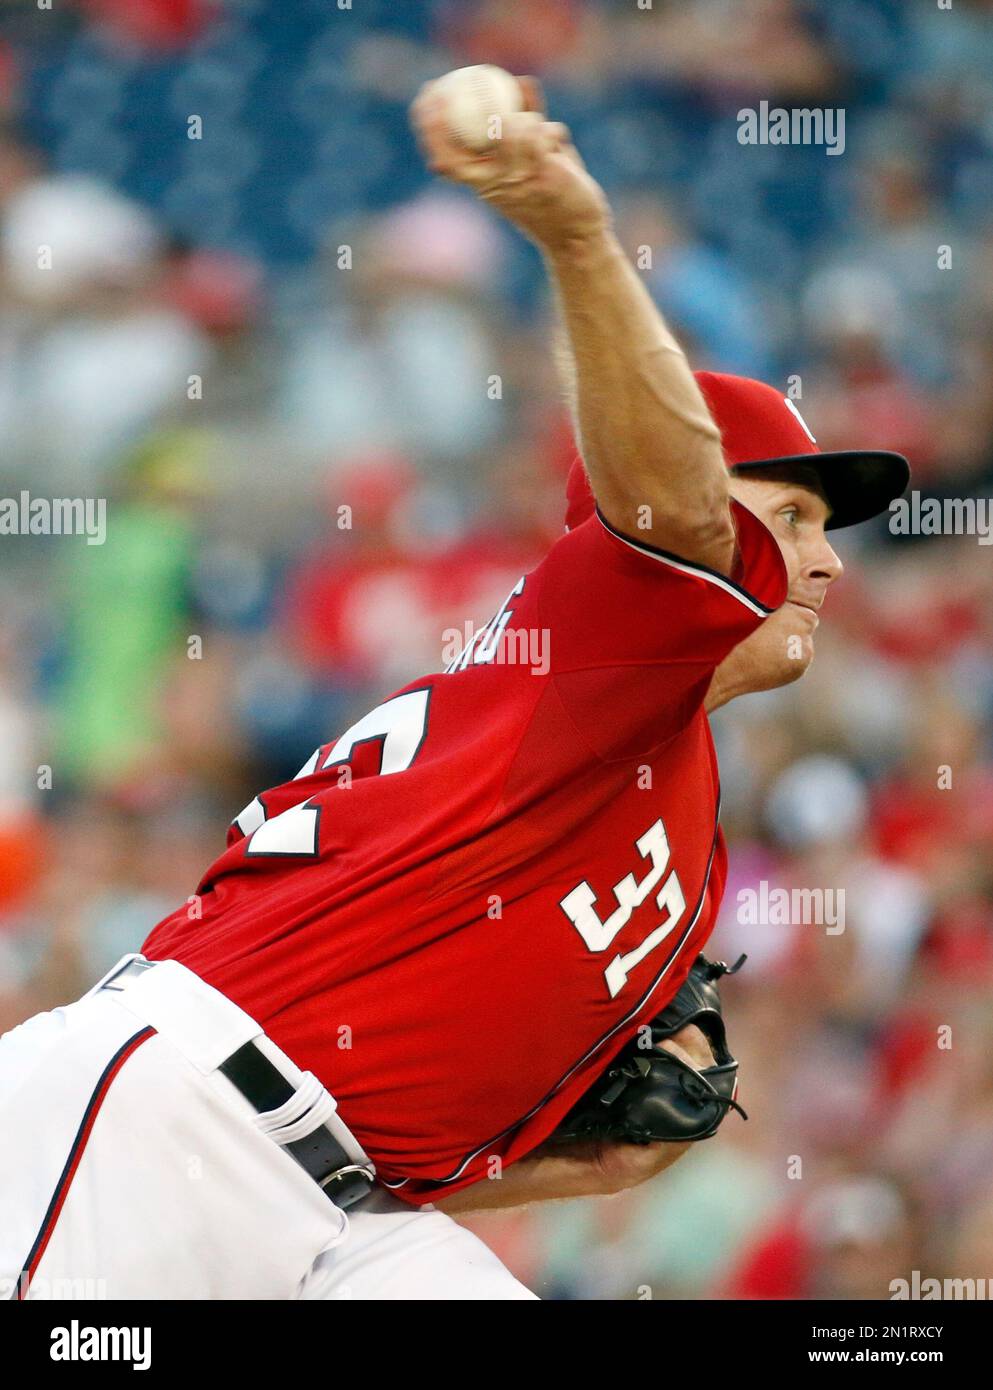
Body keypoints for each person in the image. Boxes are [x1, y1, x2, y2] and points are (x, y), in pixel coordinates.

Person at [0, 78, 907, 1301]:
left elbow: (598, 1143)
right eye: (789, 514)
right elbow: (676, 510)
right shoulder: (604, 629)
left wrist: (582, 1160)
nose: (826, 555)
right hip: (170, 1124)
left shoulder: (681, 838)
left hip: (355, 1208)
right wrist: (578, 234)